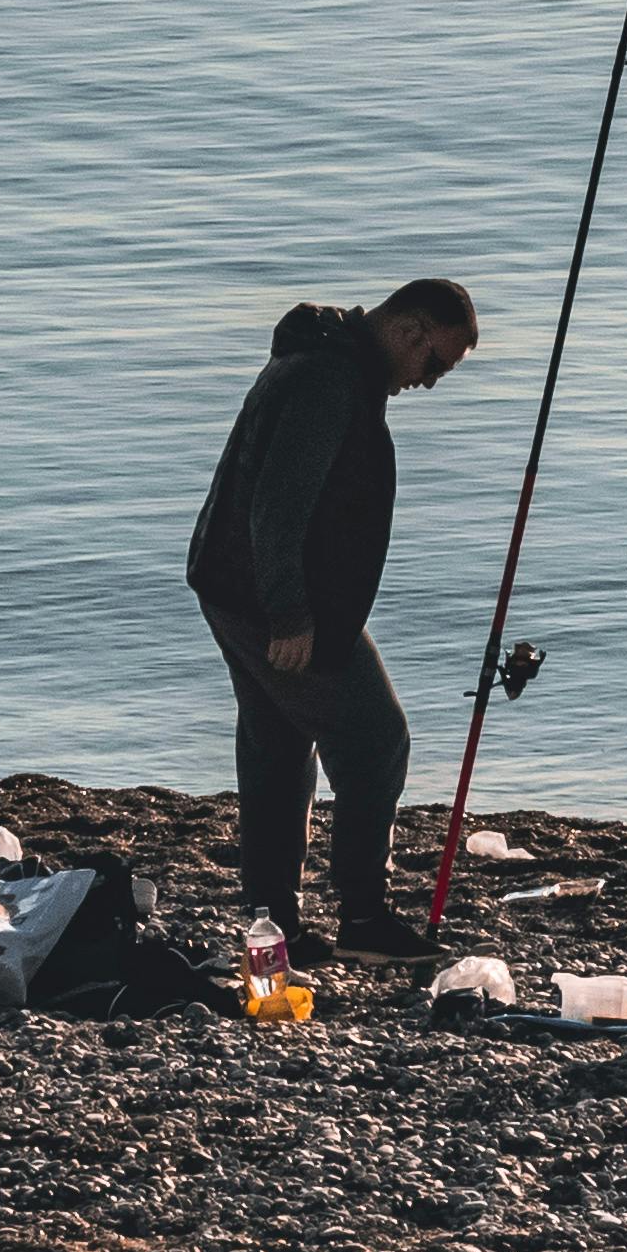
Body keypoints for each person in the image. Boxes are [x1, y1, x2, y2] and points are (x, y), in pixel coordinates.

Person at [188, 276, 476, 963]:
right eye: (435, 363)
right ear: (410, 330)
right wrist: (290, 614)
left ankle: (272, 925)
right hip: (266, 597)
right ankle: (364, 918)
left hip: (231, 581)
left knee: (278, 747)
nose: (429, 383)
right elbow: (276, 508)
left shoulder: (325, 359)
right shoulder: (330, 380)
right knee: (377, 739)